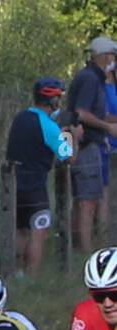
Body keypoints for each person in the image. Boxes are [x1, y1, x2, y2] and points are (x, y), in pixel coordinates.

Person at [6, 77, 76, 276]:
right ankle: (31, 276)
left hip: (13, 184)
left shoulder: (21, 117)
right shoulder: (48, 125)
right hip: (35, 187)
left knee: (19, 230)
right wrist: (72, 136)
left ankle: (15, 272)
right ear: (53, 101)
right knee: (38, 232)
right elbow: (69, 156)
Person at [66, 36, 117, 253]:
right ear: (105, 56)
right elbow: (81, 113)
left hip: (90, 143)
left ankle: (78, 247)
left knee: (86, 199)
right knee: (87, 202)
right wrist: (107, 128)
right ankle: (87, 252)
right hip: (86, 145)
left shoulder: (92, 77)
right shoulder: (89, 78)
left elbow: (94, 112)